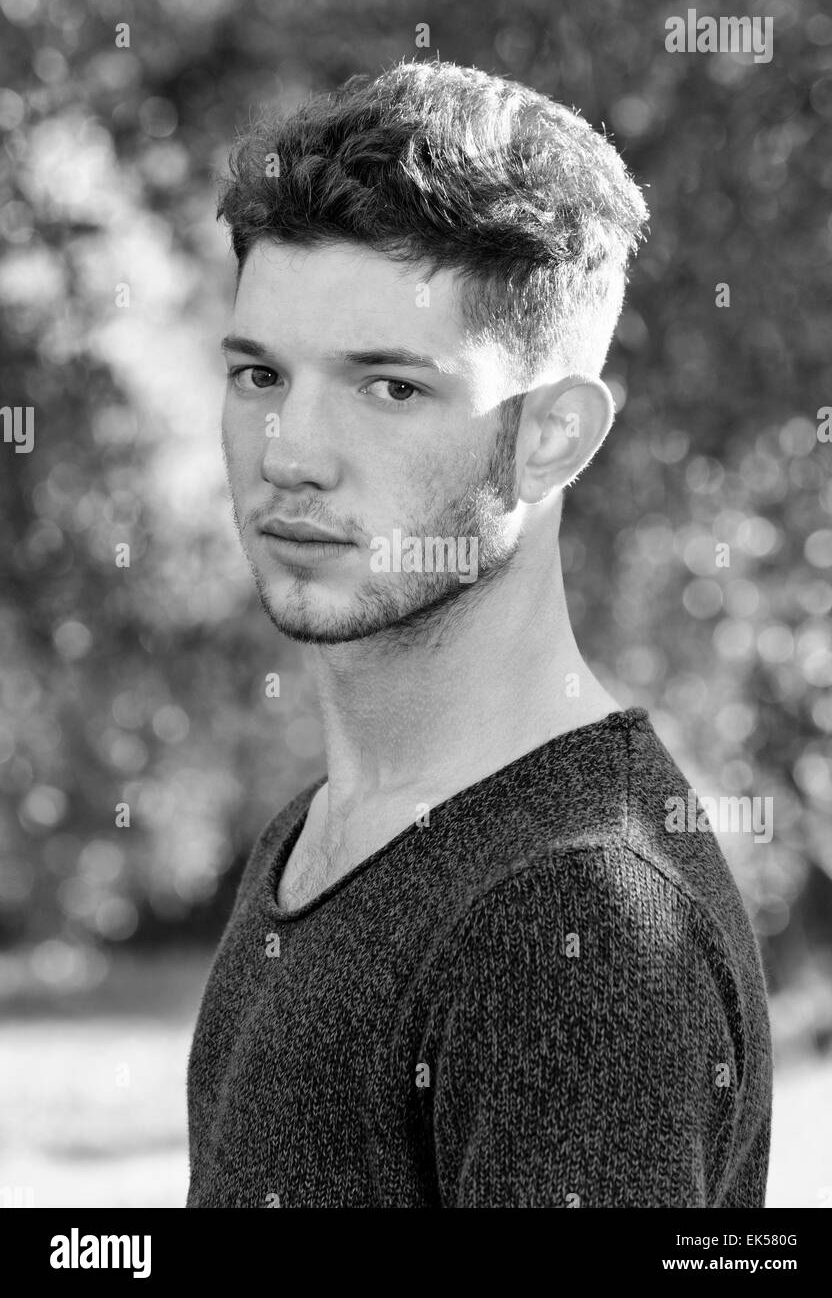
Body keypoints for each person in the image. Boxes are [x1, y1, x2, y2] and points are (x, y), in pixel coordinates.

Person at [185, 59, 772, 1208]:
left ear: (549, 438)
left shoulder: (576, 922)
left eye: (388, 387)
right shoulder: (311, 836)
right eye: (260, 373)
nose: (286, 451)